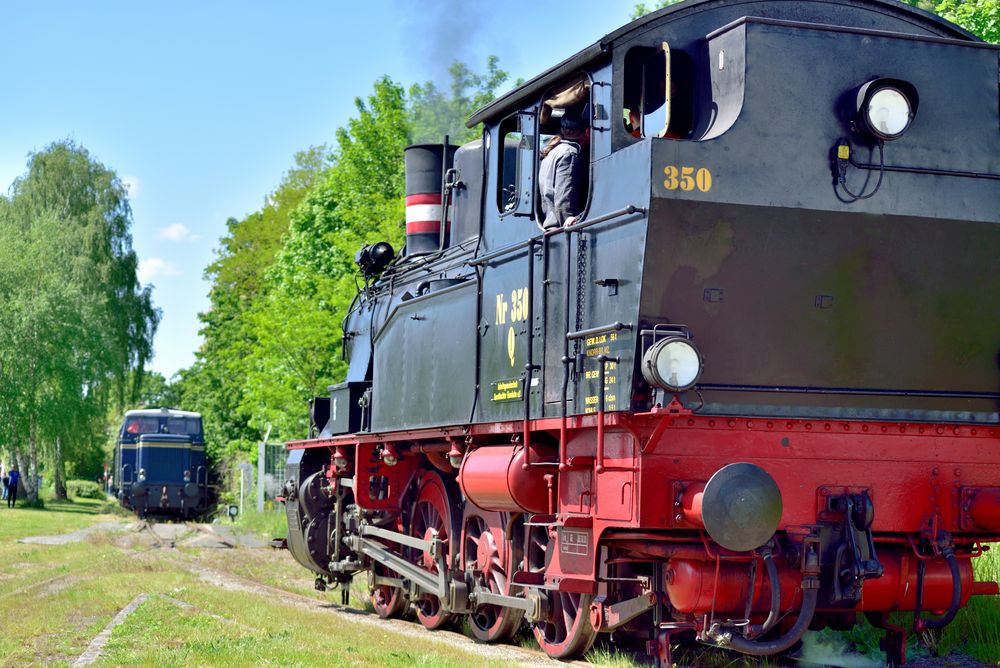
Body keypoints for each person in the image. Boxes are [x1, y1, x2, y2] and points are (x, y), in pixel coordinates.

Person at [538, 102, 590, 230]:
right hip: (563, 229)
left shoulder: (551, 153)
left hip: (552, 225)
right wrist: (571, 218)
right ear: (587, 132)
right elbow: (564, 196)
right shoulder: (570, 153)